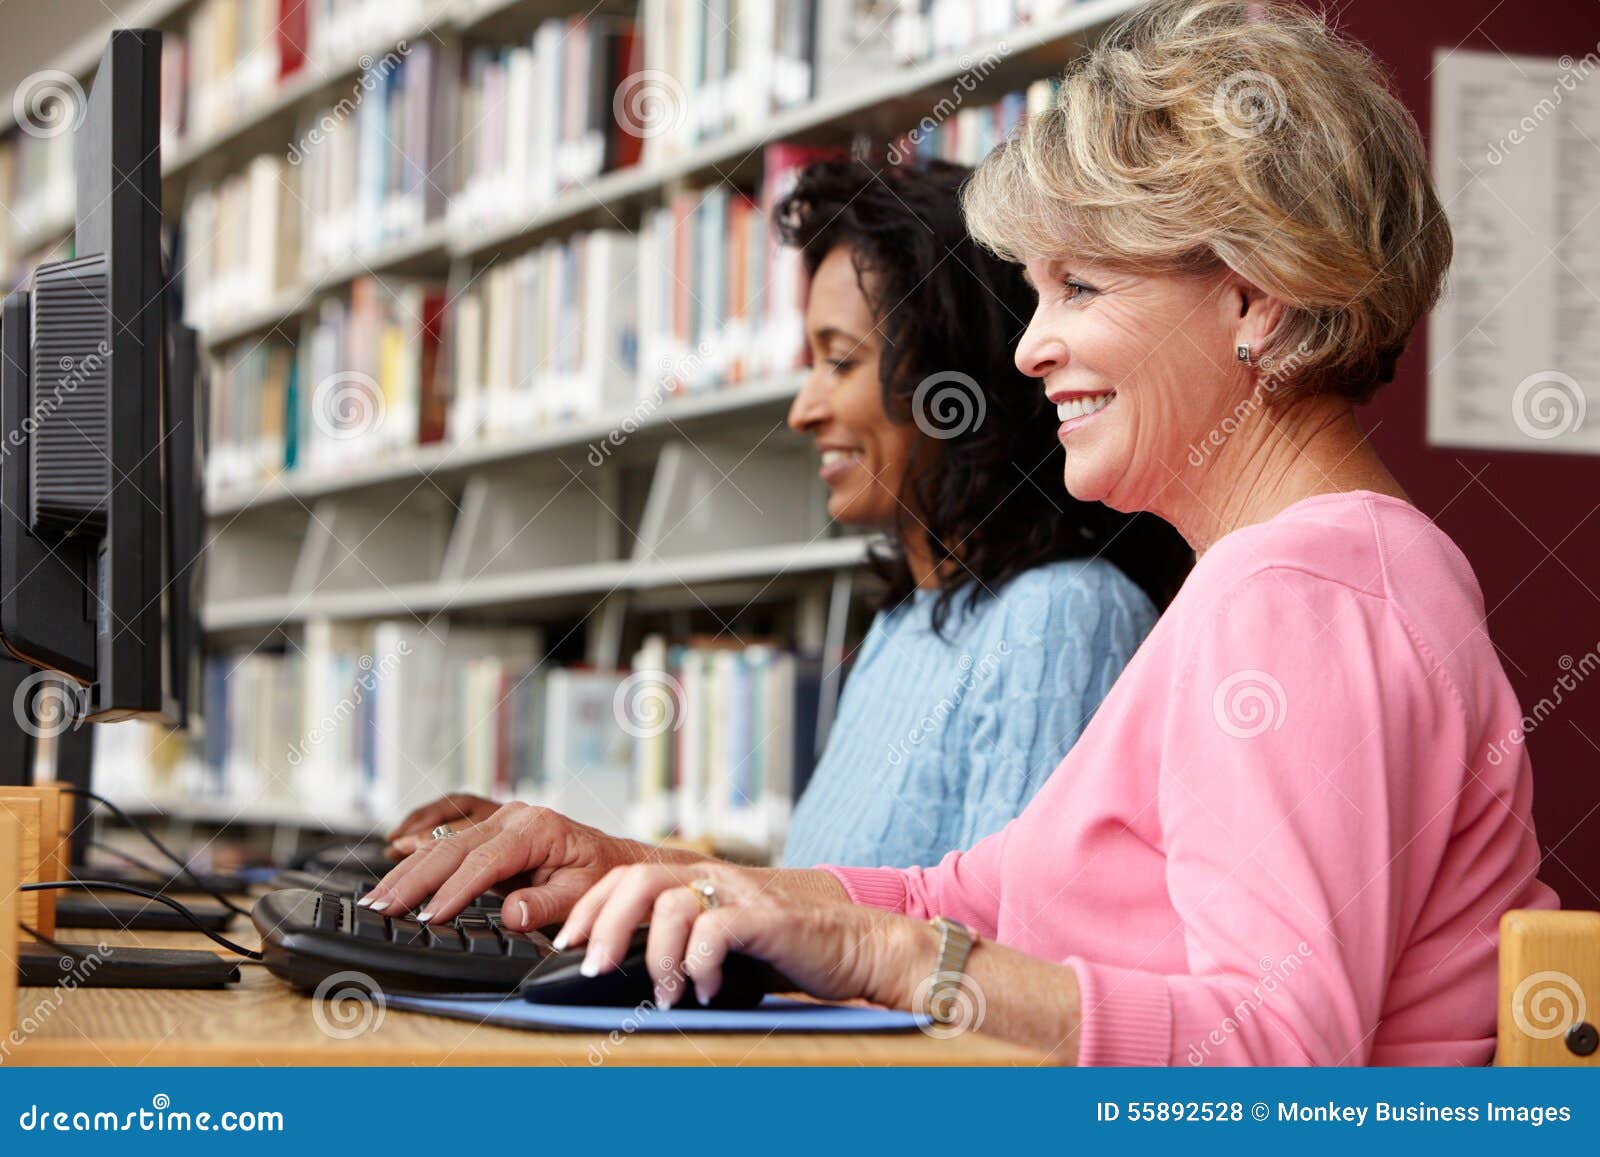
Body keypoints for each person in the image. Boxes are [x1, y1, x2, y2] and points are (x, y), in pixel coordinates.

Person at [363, 0, 1556, 1065]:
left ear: (1256, 297)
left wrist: (894, 963)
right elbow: (971, 891)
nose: (1031, 346)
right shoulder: (1305, 569)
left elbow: (1276, 1056)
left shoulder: (1299, 588)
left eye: (1081, 289)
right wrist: (661, 874)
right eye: (1033, 292)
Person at [389, 160, 1191, 870]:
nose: (805, 409)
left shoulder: (1060, 617)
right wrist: (591, 864)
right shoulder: (907, 625)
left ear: (959, 378)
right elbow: (827, 905)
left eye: (839, 360)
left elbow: (988, 961)